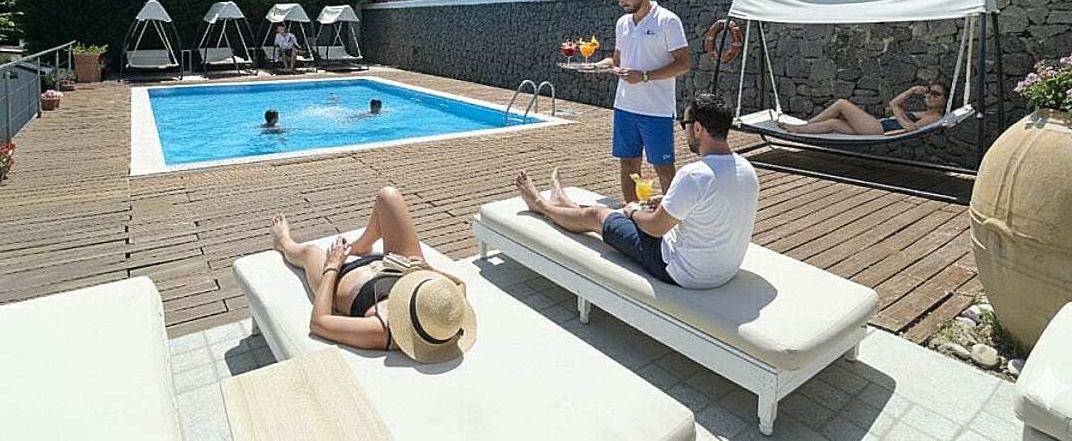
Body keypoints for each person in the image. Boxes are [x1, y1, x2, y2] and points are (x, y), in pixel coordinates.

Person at [515, 93, 759, 289]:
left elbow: (655, 228)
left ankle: (540, 205)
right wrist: (668, 201)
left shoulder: (695, 174)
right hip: (724, 270)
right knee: (620, 214)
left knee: (599, 215)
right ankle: (562, 200)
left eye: (684, 125)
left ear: (697, 129)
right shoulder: (746, 169)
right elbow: (718, 202)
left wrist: (632, 211)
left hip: (683, 272)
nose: (683, 132)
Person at [269, 186, 476, 362]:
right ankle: (362, 246)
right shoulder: (444, 308)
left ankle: (284, 243)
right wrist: (427, 270)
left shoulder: (383, 329)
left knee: (310, 252)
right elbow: (460, 284)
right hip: (403, 270)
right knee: (388, 196)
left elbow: (319, 323)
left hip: (342, 277)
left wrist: (332, 266)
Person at [595, 0, 690, 202]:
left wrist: (644, 76)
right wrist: (602, 65)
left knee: (663, 168)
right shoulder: (622, 23)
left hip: (656, 110)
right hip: (625, 107)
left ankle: (673, 221)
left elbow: (683, 64)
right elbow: (617, 59)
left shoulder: (668, 21)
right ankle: (632, 213)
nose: (621, 2)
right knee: (627, 164)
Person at [780, 82, 949, 135]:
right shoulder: (925, 112)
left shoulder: (935, 117)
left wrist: (897, 113)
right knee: (833, 123)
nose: (929, 96)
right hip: (879, 125)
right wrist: (911, 91)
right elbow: (895, 103)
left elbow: (910, 128)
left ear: (945, 99)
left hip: (879, 129)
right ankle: (799, 129)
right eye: (928, 92)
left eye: (935, 94)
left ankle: (804, 124)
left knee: (841, 104)